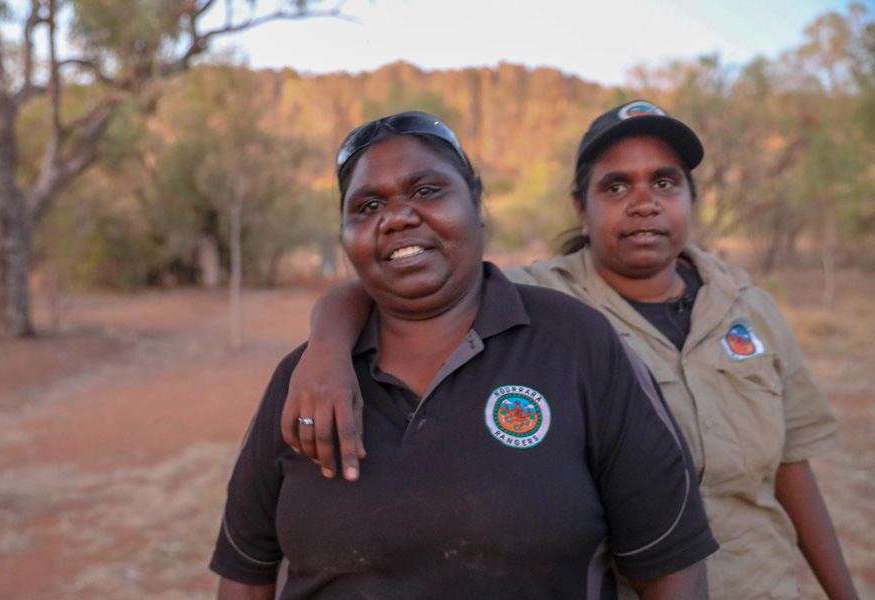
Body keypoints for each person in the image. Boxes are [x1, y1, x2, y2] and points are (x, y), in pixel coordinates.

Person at [282, 101, 860, 600]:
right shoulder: (539, 300)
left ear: (691, 198)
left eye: (664, 182)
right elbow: (407, 274)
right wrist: (328, 345)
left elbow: (792, 471)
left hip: (762, 584)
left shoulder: (750, 307)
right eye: (616, 186)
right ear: (581, 207)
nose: (643, 203)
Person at [211, 111, 717, 599]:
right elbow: (246, 571)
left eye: (427, 191)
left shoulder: (577, 343)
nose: (397, 218)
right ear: (345, 237)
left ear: (476, 202)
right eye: (367, 206)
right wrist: (326, 343)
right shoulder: (305, 378)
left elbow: (670, 565)